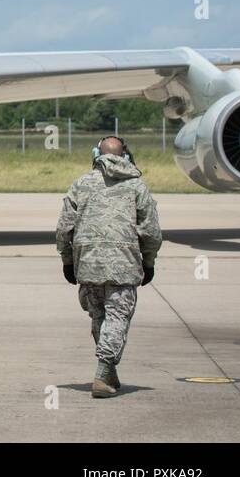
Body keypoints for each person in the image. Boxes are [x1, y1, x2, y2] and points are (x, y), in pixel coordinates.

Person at [56, 136, 162, 398]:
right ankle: (103, 372)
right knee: (117, 317)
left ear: (96, 154)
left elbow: (63, 228)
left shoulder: (80, 184)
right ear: (125, 156)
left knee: (99, 317)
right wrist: (148, 262)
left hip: (88, 265)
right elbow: (150, 232)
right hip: (123, 266)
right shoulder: (137, 187)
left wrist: (67, 260)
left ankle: (109, 373)